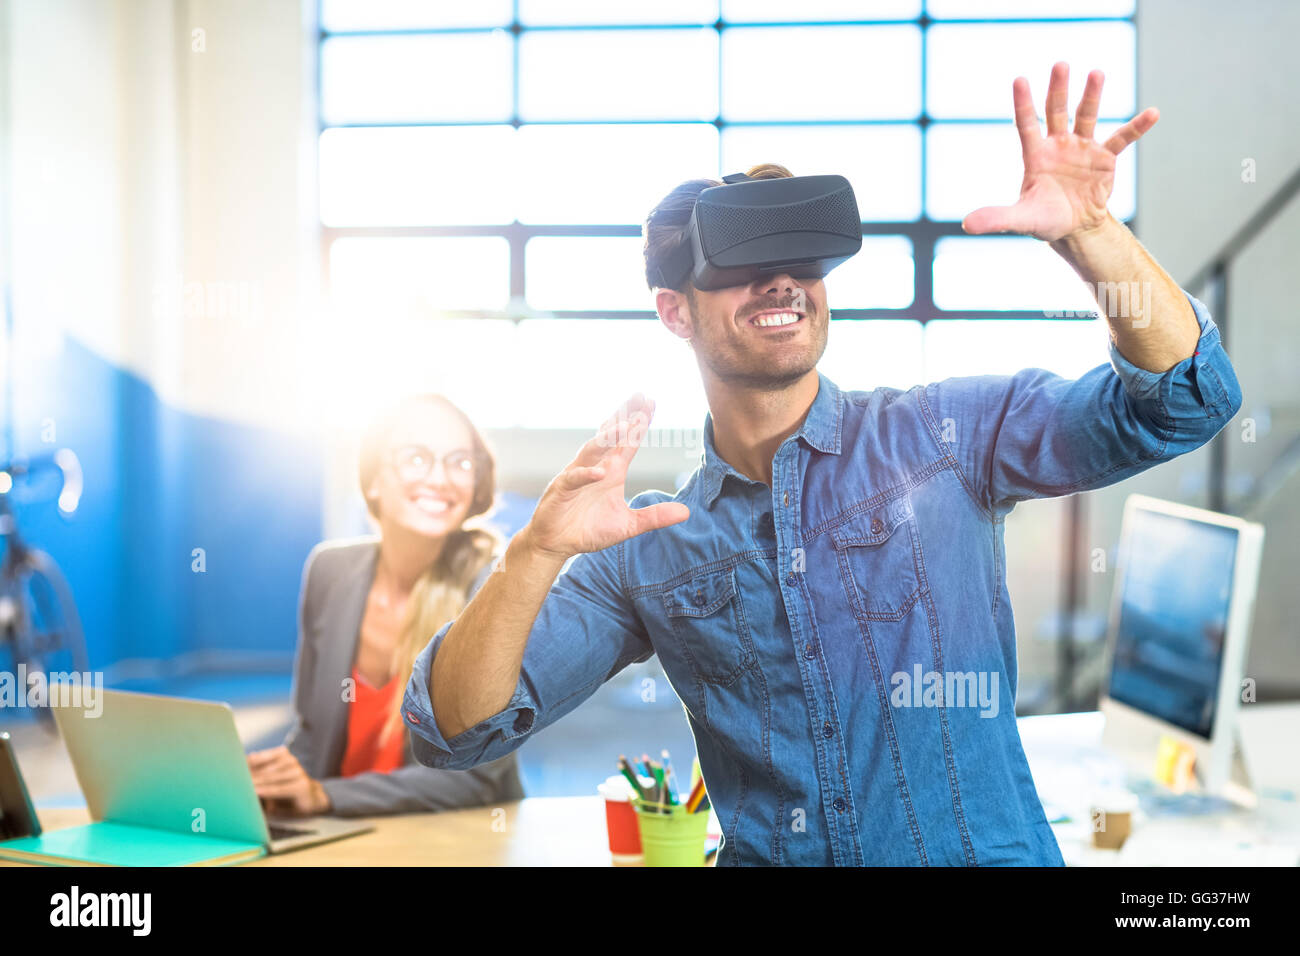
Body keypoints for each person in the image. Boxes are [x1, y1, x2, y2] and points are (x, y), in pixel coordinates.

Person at [399, 64, 1242, 863]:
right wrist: (533, 555)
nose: (778, 282)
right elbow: (454, 729)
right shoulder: (644, 547)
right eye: (737, 265)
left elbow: (1188, 400)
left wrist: (1094, 235)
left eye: (800, 257)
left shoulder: (949, 435)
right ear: (675, 312)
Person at [248, 394, 523, 817]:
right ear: (374, 480)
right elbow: (311, 735)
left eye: (459, 462)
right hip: (336, 834)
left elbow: (476, 778)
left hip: (450, 842)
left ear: (475, 487)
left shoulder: (493, 589)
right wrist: (278, 781)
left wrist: (325, 797)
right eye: (416, 458)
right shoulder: (330, 570)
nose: (440, 478)